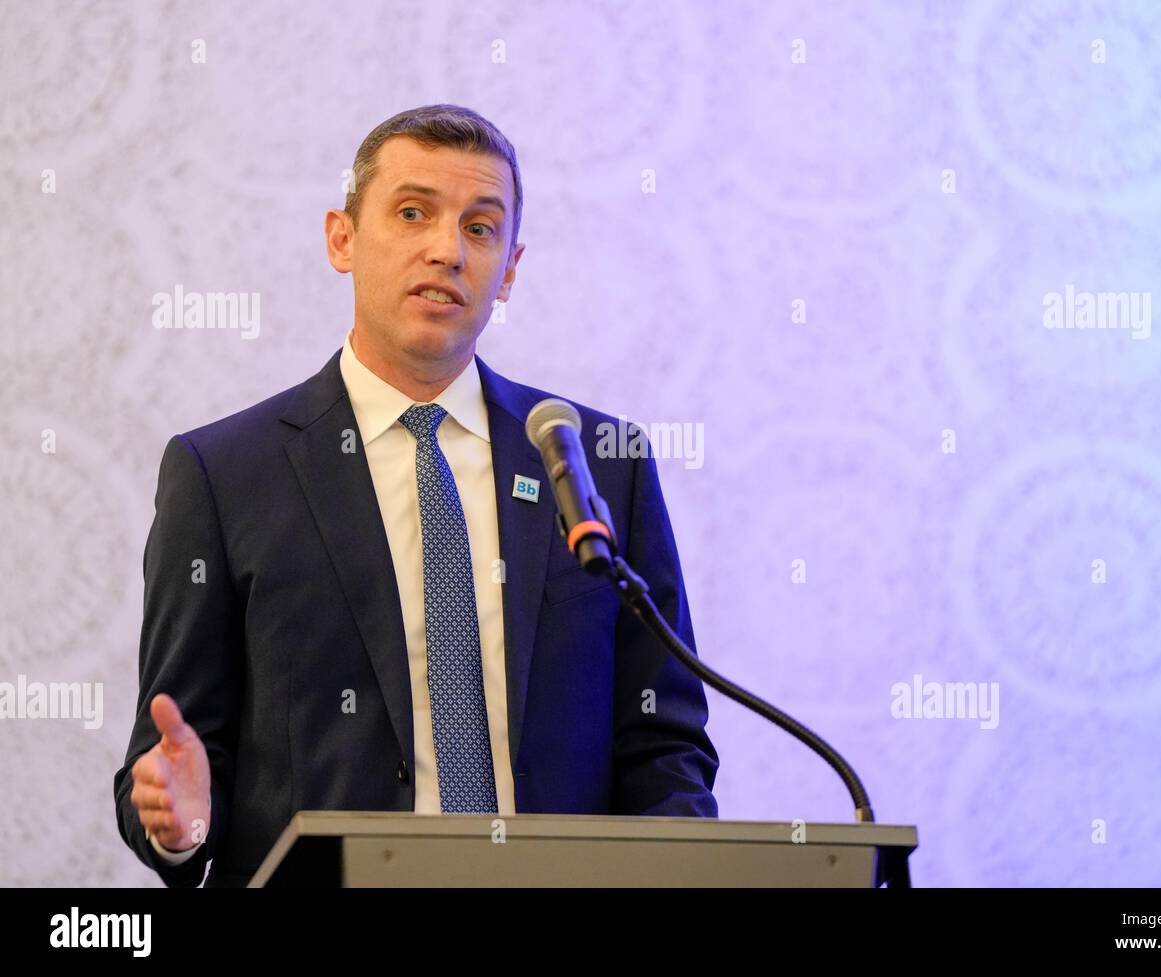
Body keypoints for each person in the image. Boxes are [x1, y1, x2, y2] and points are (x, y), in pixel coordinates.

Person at [113, 104, 719, 887]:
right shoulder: (224, 473)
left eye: (479, 227)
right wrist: (184, 818)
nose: (446, 249)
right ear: (342, 238)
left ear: (509, 268)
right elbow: (176, 764)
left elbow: (665, 743)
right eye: (412, 213)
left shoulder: (600, 462)